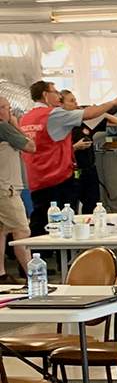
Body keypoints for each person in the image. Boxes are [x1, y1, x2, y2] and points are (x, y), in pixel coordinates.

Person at [20, 80, 117, 237]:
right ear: (45, 95)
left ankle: (37, 256)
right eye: (55, 92)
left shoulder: (26, 118)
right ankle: (65, 258)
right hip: (56, 176)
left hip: (37, 178)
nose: (58, 96)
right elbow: (90, 113)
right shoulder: (53, 114)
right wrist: (113, 102)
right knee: (63, 222)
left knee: (41, 221)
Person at [59, 90, 117, 211]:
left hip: (89, 169)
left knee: (93, 205)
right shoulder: (59, 124)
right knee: (70, 207)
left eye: (75, 100)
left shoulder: (85, 120)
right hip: (70, 171)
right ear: (61, 105)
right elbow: (56, 151)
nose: (76, 103)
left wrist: (100, 113)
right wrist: (76, 147)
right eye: (71, 101)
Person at [0, 97, 35, 278]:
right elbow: (30, 146)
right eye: (5, 108)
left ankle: (2, 274)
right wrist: (16, 125)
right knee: (21, 230)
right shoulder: (4, 128)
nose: (9, 112)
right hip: (7, 189)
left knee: (2, 231)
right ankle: (32, 276)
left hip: (4, 187)